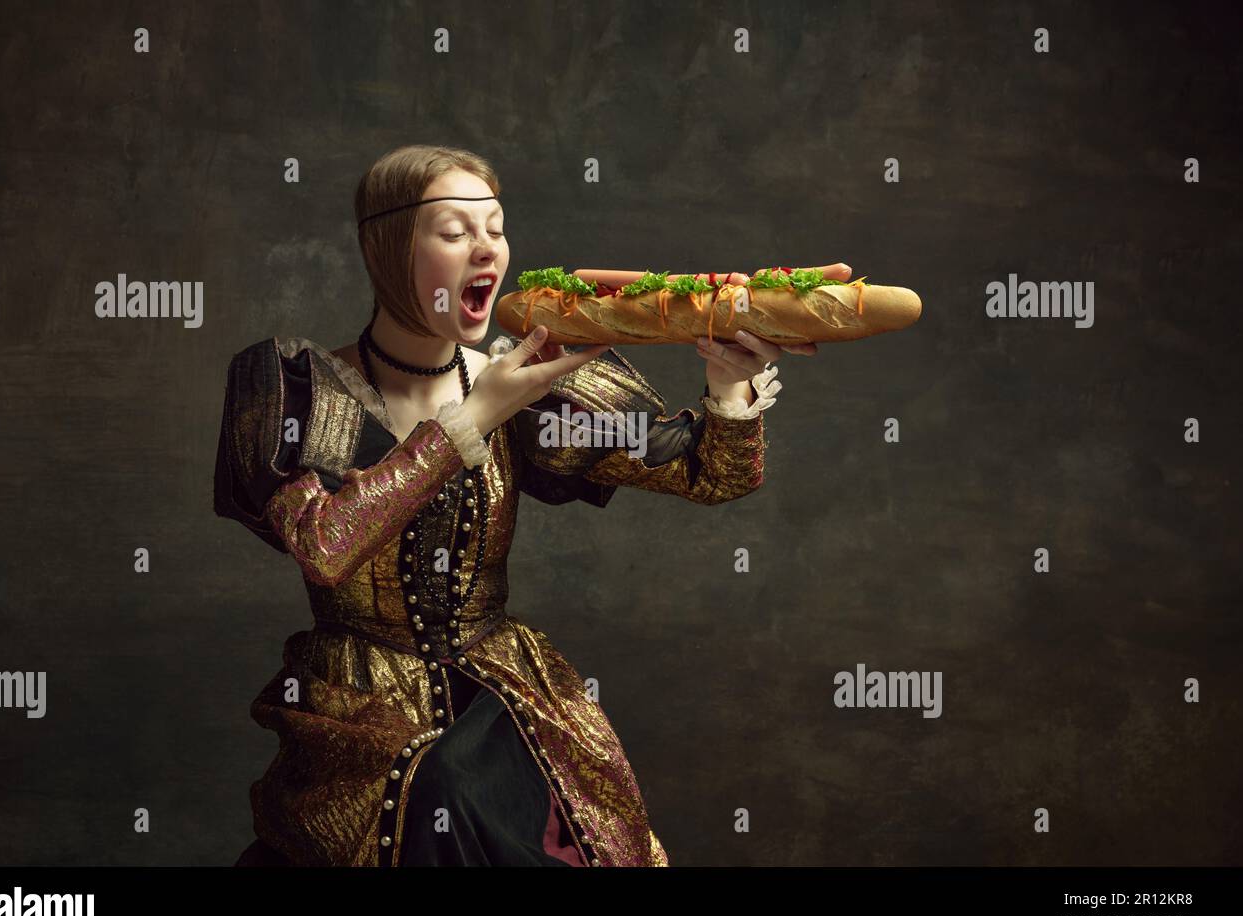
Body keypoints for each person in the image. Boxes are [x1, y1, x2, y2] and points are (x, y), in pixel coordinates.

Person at [214, 143, 839, 866]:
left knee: (503, 790)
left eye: (497, 228)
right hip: (361, 714)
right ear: (385, 247)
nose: (487, 249)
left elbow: (707, 472)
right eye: (454, 232)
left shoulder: (523, 377)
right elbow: (325, 547)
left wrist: (730, 384)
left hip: (502, 695)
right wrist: (475, 416)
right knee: (437, 789)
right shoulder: (294, 384)